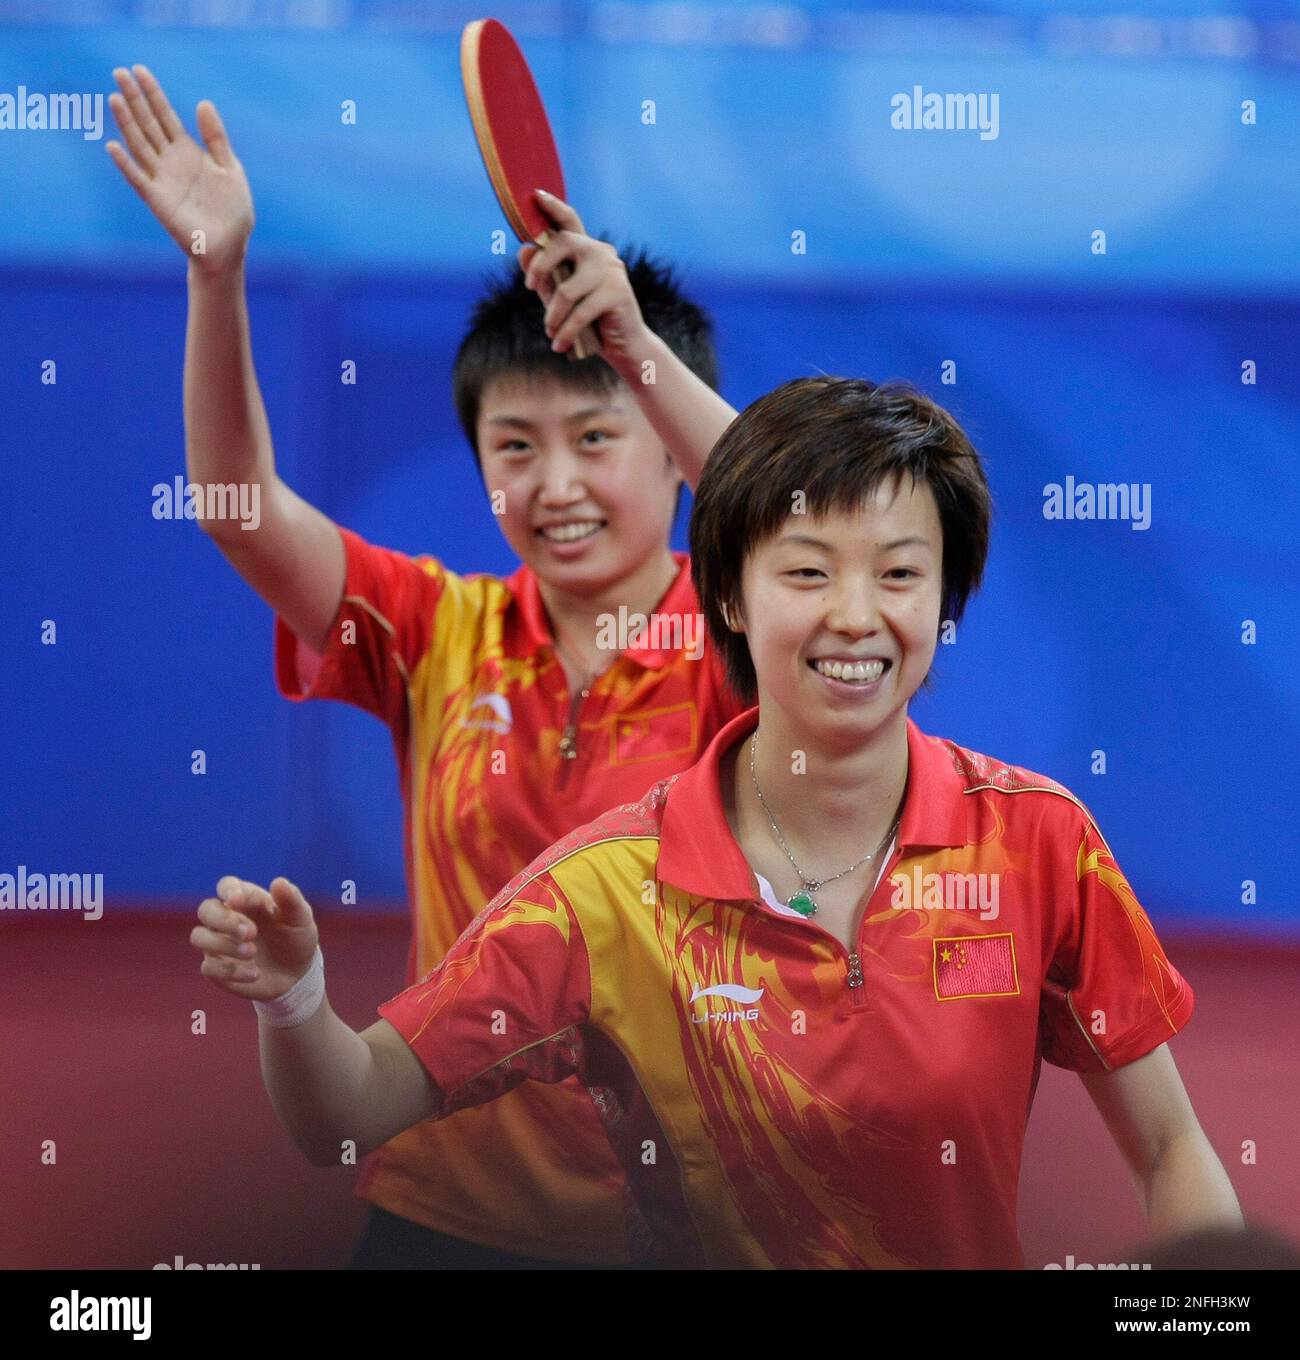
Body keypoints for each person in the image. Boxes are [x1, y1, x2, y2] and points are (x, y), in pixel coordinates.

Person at [191, 375, 1244, 1268]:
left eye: (899, 573)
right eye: (806, 570)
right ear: (728, 598)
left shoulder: (1039, 842)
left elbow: (1169, 1149)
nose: (854, 613)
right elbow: (351, 1112)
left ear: (943, 603)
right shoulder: (604, 891)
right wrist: (295, 1001)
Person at [106, 62, 745, 1269]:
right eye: (515, 445)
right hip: (442, 1208)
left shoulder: (747, 641)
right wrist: (216, 272)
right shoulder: (435, 627)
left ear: (667, 451)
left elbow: (796, 524)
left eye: (597, 437)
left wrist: (637, 349)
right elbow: (240, 510)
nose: (553, 484)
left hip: (684, 1223)